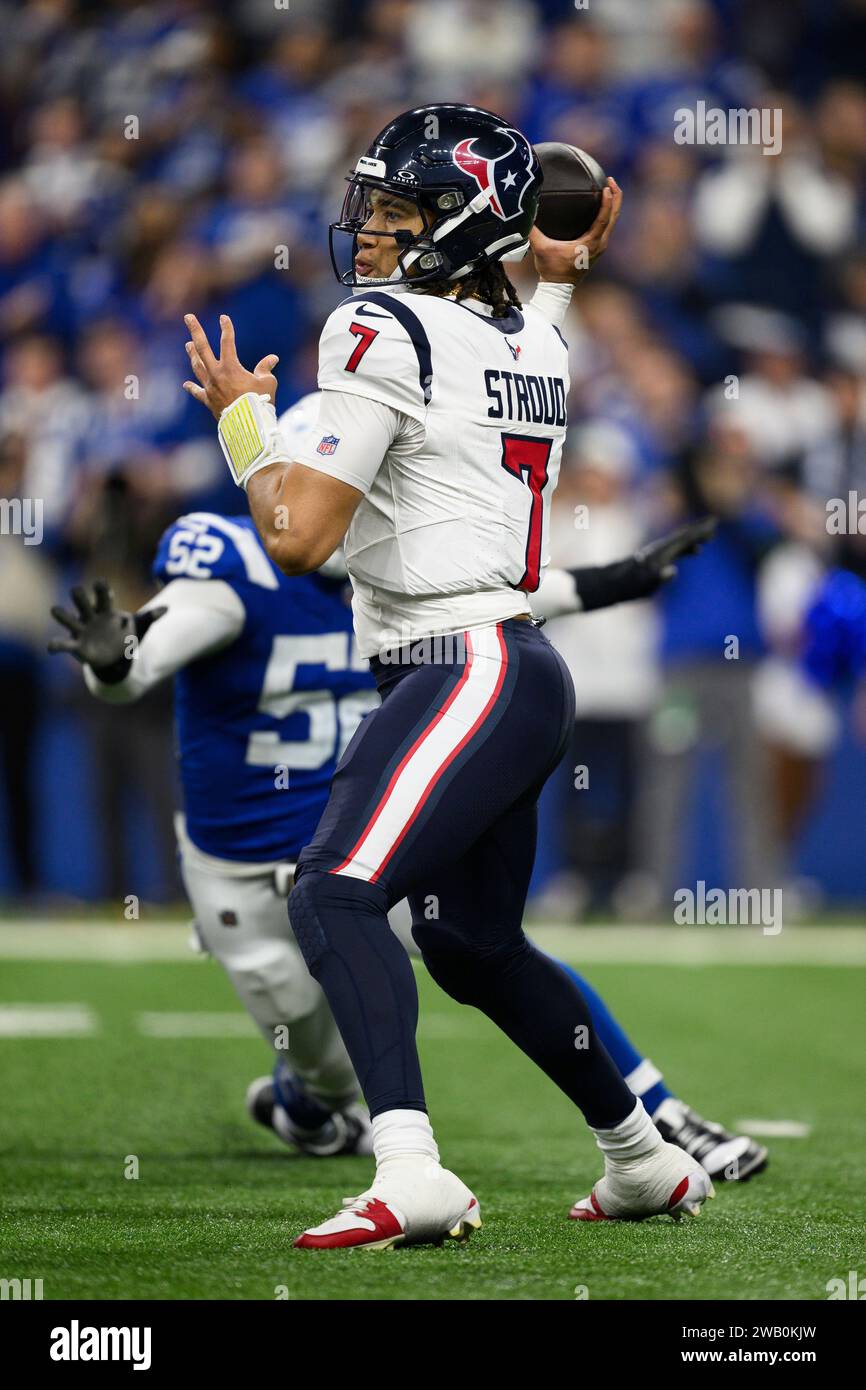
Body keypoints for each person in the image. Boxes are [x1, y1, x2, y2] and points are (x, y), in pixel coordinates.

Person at [182, 103, 716, 1249]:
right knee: (473, 946)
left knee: (331, 891)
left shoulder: (382, 327)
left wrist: (243, 427)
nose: (368, 229)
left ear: (461, 223)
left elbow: (297, 538)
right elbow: (523, 317)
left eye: (395, 207)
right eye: (369, 203)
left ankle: (410, 1169)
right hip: (508, 670)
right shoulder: (536, 340)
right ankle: (641, 1157)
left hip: (460, 662)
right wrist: (558, 265)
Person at [50, 390, 764, 1185]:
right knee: (328, 1071)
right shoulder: (232, 572)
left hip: (359, 837)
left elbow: (523, 593)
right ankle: (307, 1102)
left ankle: (659, 1114)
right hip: (243, 873)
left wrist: (624, 578)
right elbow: (141, 658)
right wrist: (112, 661)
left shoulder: (393, 563)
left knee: (491, 946)